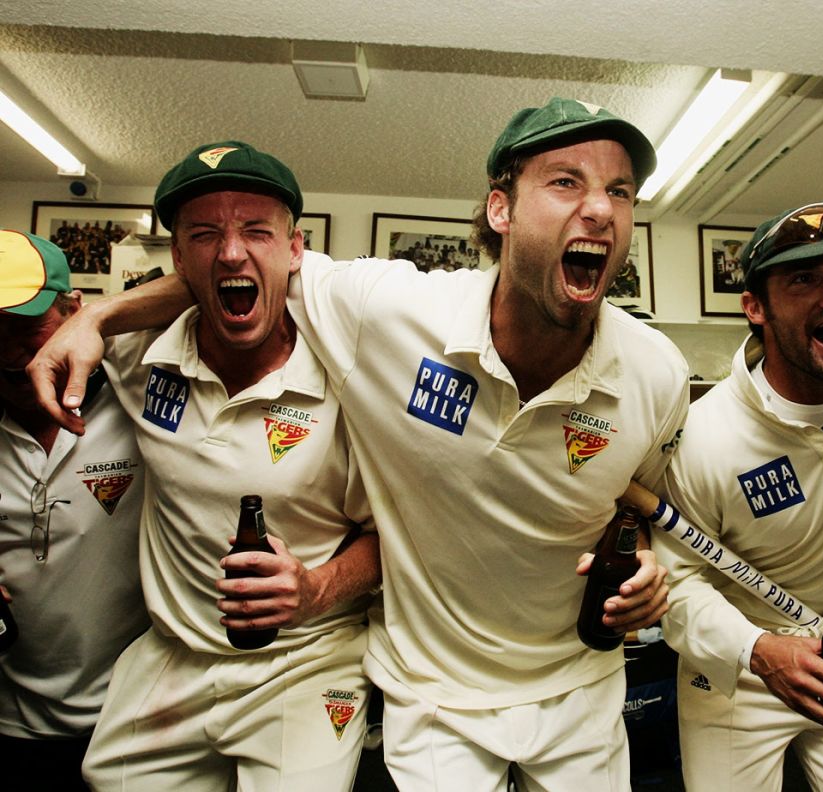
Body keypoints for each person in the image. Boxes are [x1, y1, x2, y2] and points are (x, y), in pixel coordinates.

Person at [31, 100, 684, 791]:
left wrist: (645, 564)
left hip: (576, 684)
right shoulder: (391, 312)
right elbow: (235, 268)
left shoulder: (657, 372)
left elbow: (642, 508)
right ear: (501, 209)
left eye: (620, 192)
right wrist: (98, 316)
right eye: (565, 182)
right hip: (432, 690)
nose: (600, 210)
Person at [69, 142, 381, 791]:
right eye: (205, 234)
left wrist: (316, 589)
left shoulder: (350, 378)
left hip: (308, 662)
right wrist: (92, 313)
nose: (232, 253)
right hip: (173, 658)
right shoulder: (139, 356)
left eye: (256, 231)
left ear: (294, 251)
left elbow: (397, 533)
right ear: (179, 259)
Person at [657, 202, 823, 791]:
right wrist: (755, 649)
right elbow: (675, 584)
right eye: (805, 279)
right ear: (755, 307)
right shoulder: (704, 437)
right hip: (739, 661)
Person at [0, 231, 148, 790]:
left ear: (72, 310)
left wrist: (104, 318)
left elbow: (200, 284)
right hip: (11, 719)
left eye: (24, 325)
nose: (9, 349)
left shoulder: (138, 391)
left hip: (129, 718)